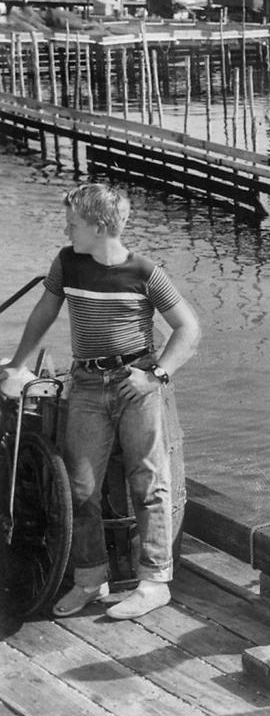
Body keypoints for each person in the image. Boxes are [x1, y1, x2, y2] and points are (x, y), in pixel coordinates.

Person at [1, 183, 200, 621]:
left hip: (135, 382)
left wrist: (155, 376)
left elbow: (189, 330)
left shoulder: (146, 272)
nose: (66, 227)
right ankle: (91, 578)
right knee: (80, 487)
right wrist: (17, 364)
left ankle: (154, 582)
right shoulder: (67, 263)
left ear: (98, 226)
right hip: (87, 383)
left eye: (73, 222)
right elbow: (45, 310)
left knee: (149, 482)